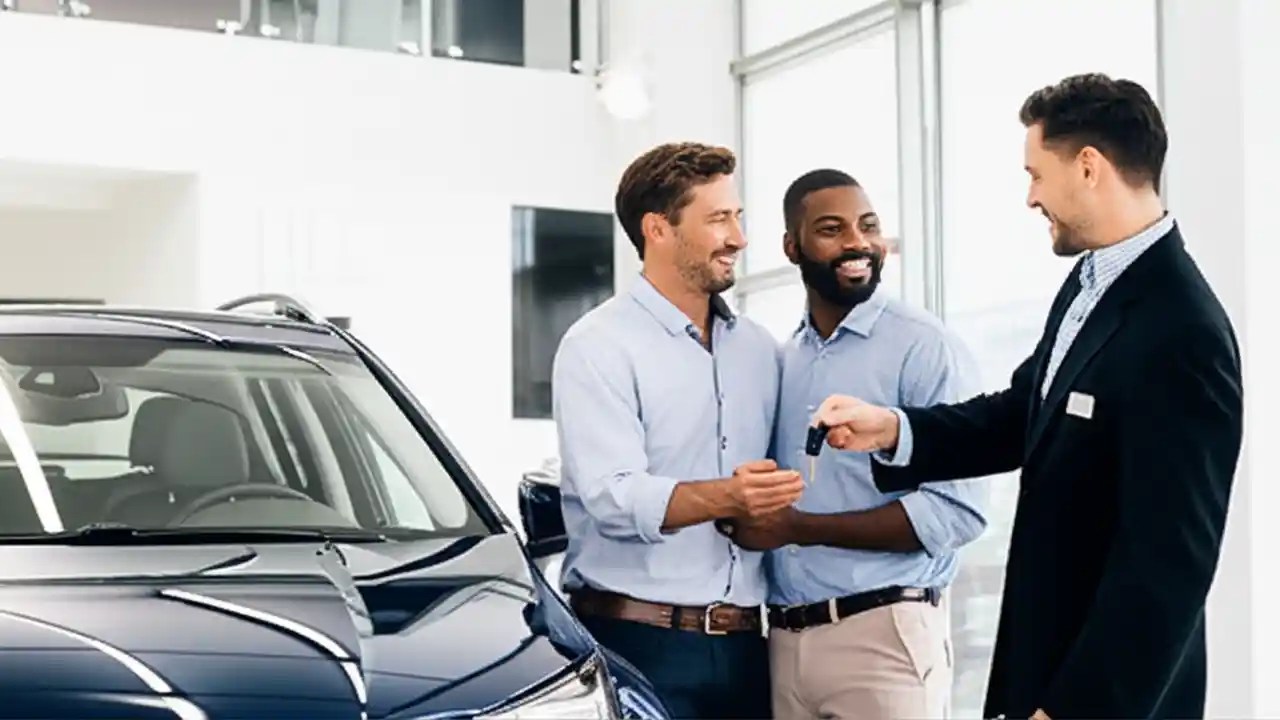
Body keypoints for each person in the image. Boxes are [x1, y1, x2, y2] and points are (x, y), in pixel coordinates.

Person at [812, 73, 1244, 720]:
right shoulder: (1088, 285)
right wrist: (894, 430)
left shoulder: (1183, 330)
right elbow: (1024, 413)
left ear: (1090, 168)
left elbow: (1166, 565)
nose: (1030, 197)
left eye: (1036, 174)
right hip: (1039, 667)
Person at [717, 169, 986, 719]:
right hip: (785, 641)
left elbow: (956, 513)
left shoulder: (922, 346)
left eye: (868, 226)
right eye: (831, 229)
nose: (856, 243)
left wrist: (799, 529)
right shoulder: (784, 358)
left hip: (882, 638)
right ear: (792, 247)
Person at [550, 141, 803, 719]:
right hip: (637, 646)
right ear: (657, 229)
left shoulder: (760, 350)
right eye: (718, 219)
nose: (738, 237)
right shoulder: (598, 346)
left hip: (746, 649)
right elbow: (613, 496)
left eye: (738, 216)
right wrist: (730, 496)